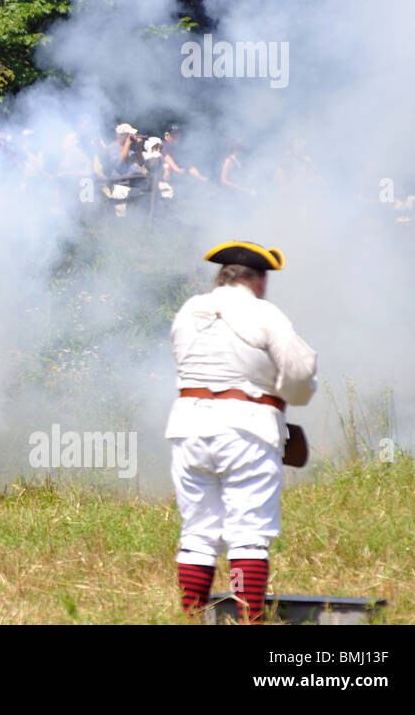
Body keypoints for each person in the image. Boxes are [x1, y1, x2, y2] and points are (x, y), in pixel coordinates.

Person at [167, 241, 317, 622]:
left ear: (223, 276)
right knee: (248, 533)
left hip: (189, 428)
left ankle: (192, 617)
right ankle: (249, 620)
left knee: (198, 533)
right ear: (258, 280)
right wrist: (285, 394)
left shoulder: (187, 311)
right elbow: (300, 376)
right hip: (246, 431)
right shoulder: (265, 313)